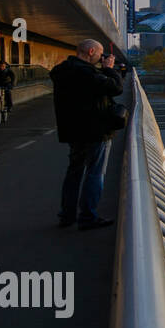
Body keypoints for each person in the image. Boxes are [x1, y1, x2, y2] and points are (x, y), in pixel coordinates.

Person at [50, 40, 124, 230]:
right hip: (95, 130)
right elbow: (116, 88)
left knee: (74, 171)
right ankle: (87, 217)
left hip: (73, 131)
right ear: (91, 51)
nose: (102, 58)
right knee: (95, 173)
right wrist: (109, 69)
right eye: (100, 55)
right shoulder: (88, 74)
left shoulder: (62, 71)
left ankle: (67, 215)